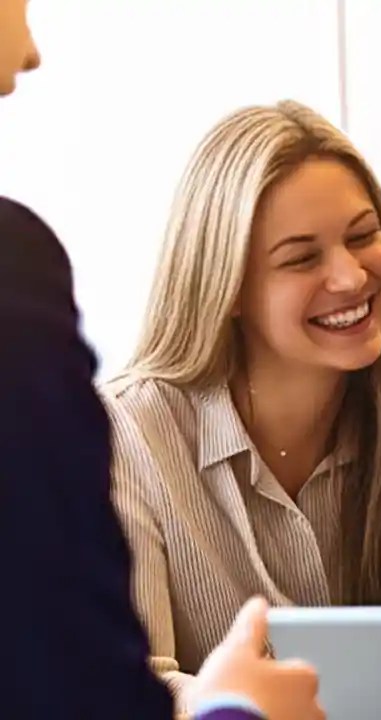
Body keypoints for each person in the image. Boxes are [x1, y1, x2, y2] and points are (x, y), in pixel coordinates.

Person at [0, 1, 323, 718]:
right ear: (225, 279)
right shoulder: (12, 277)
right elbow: (83, 688)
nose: (32, 55)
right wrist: (239, 710)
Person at [101, 99, 381, 713]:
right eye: (302, 258)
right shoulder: (128, 436)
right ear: (228, 288)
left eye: (363, 236)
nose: (351, 277)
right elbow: (128, 688)